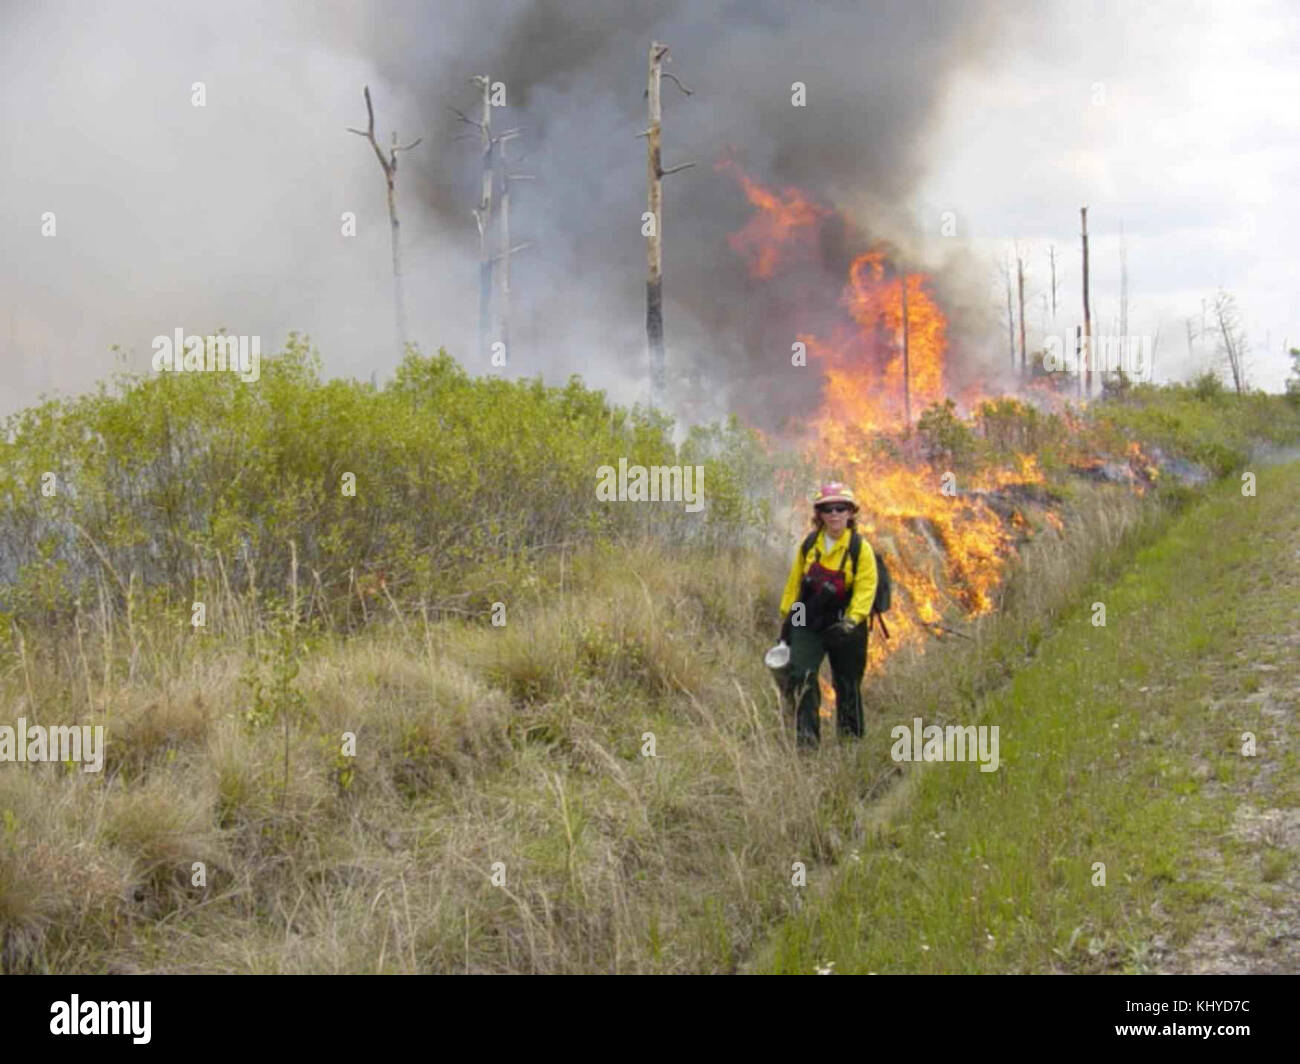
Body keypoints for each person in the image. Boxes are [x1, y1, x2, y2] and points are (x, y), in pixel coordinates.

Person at [777, 482, 877, 749]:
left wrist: (852, 621)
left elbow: (866, 589)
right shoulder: (810, 545)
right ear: (819, 514)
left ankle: (851, 744)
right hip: (807, 621)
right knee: (802, 676)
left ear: (851, 513)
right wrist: (788, 619)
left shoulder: (860, 548)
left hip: (846, 626)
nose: (834, 514)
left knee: (847, 685)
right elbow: (795, 583)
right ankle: (807, 745)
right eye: (827, 509)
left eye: (840, 508)